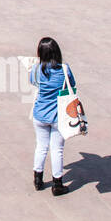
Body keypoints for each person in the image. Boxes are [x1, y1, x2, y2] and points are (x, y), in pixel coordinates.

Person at [30, 37, 75, 196]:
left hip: (40, 114)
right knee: (57, 149)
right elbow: (72, 85)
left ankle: (38, 178)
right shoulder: (64, 69)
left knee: (41, 146)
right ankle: (57, 183)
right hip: (58, 116)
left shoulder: (36, 69)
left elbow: (33, 82)